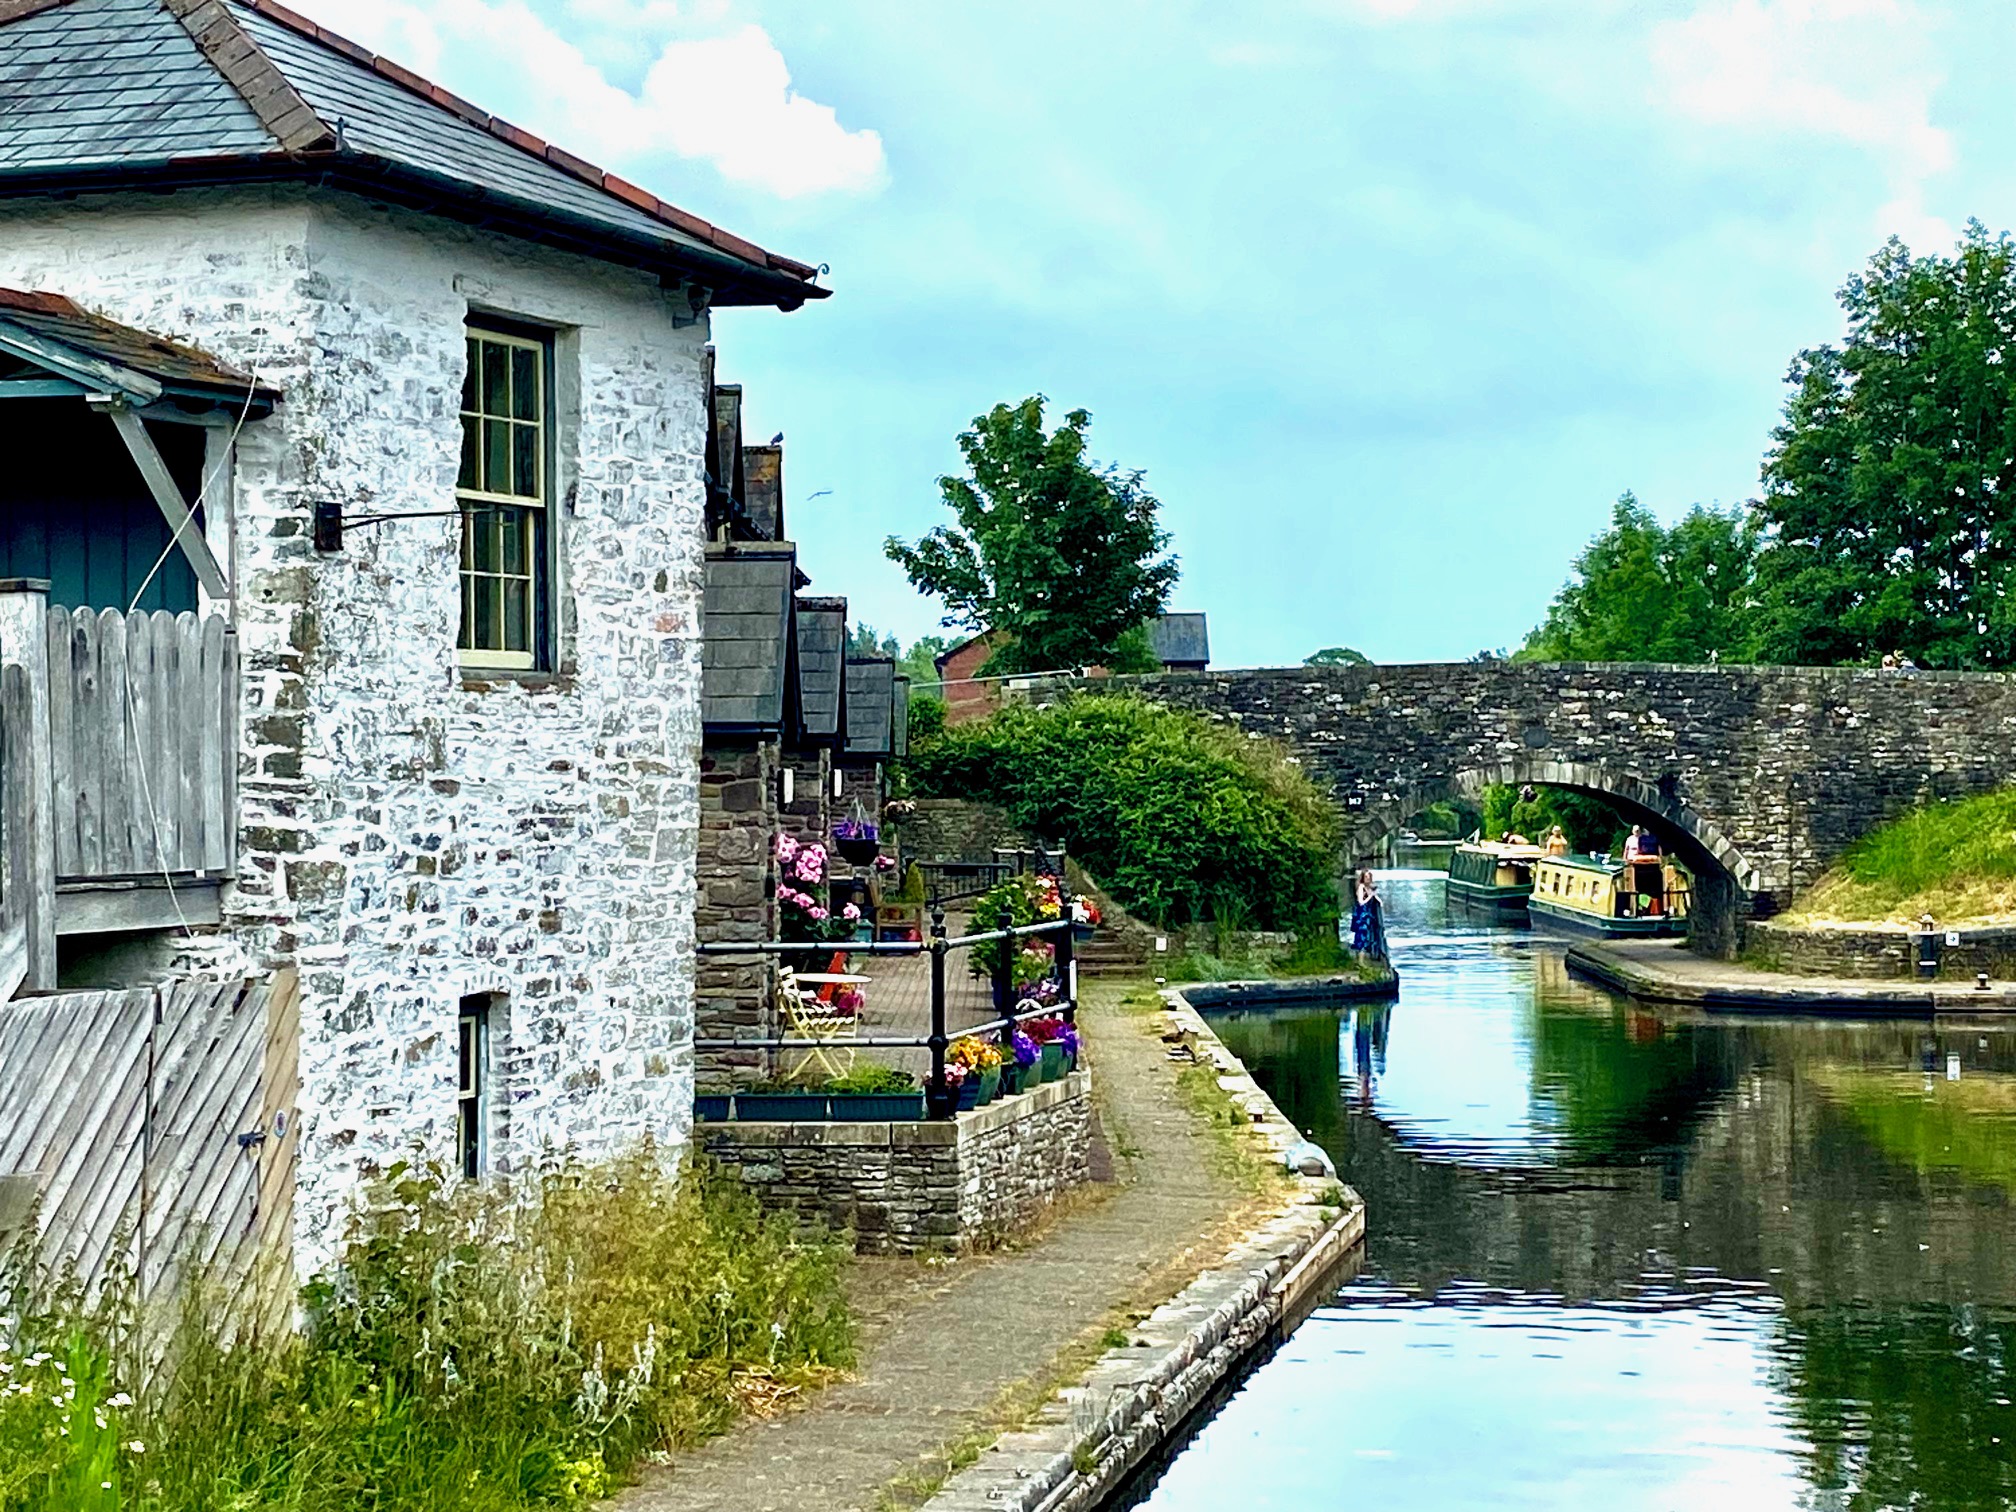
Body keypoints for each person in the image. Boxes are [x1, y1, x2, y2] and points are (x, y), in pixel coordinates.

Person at [1350, 868, 1387, 961]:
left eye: (1369, 877)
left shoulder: (1369, 888)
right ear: (1362, 878)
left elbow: (1378, 901)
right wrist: (1371, 896)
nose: (1368, 879)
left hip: (1369, 916)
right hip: (1362, 916)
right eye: (1366, 877)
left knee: (1369, 937)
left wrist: (1378, 900)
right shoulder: (1361, 887)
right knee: (1362, 937)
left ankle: (1367, 959)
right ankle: (1360, 961)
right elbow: (1361, 902)